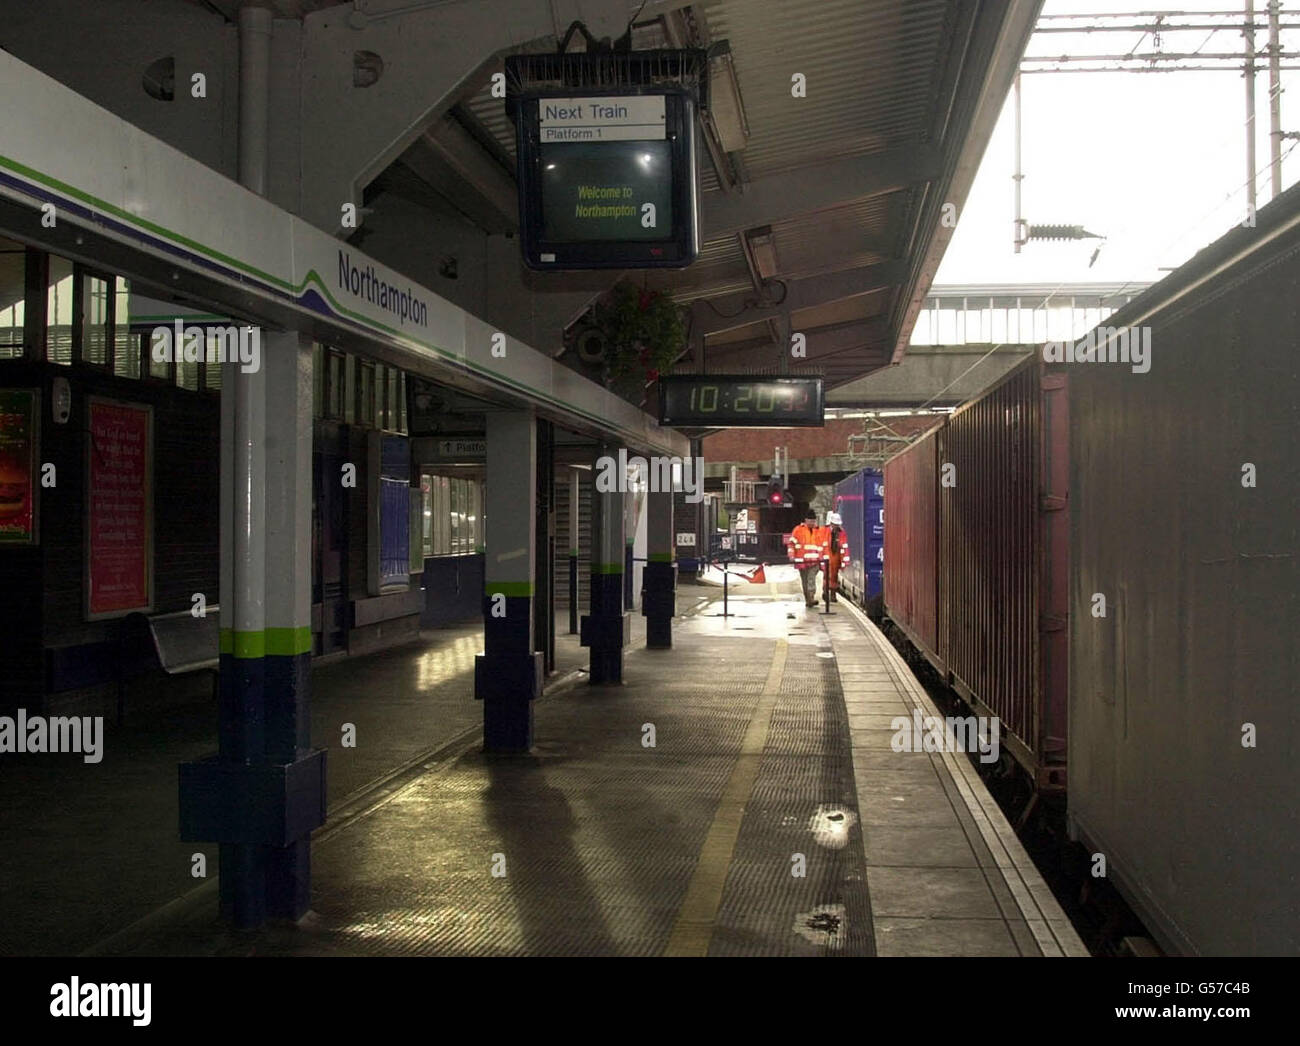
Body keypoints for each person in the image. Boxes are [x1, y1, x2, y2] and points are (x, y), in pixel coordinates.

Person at [788, 510, 825, 607]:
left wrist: (822, 560)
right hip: (802, 562)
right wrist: (791, 555)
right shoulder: (798, 530)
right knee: (804, 581)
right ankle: (808, 599)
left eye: (813, 521)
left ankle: (811, 597)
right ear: (806, 520)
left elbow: (822, 546)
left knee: (811, 579)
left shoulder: (819, 531)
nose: (812, 523)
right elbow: (791, 544)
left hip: (814, 562)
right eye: (810, 521)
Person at [821, 511, 851, 603]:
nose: (836, 526)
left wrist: (845, 560)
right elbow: (822, 544)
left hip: (836, 557)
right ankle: (825, 592)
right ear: (831, 523)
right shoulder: (824, 531)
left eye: (837, 524)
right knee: (827, 575)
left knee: (834, 576)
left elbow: (844, 546)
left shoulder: (841, 533)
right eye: (835, 524)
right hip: (827, 556)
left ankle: (833, 595)